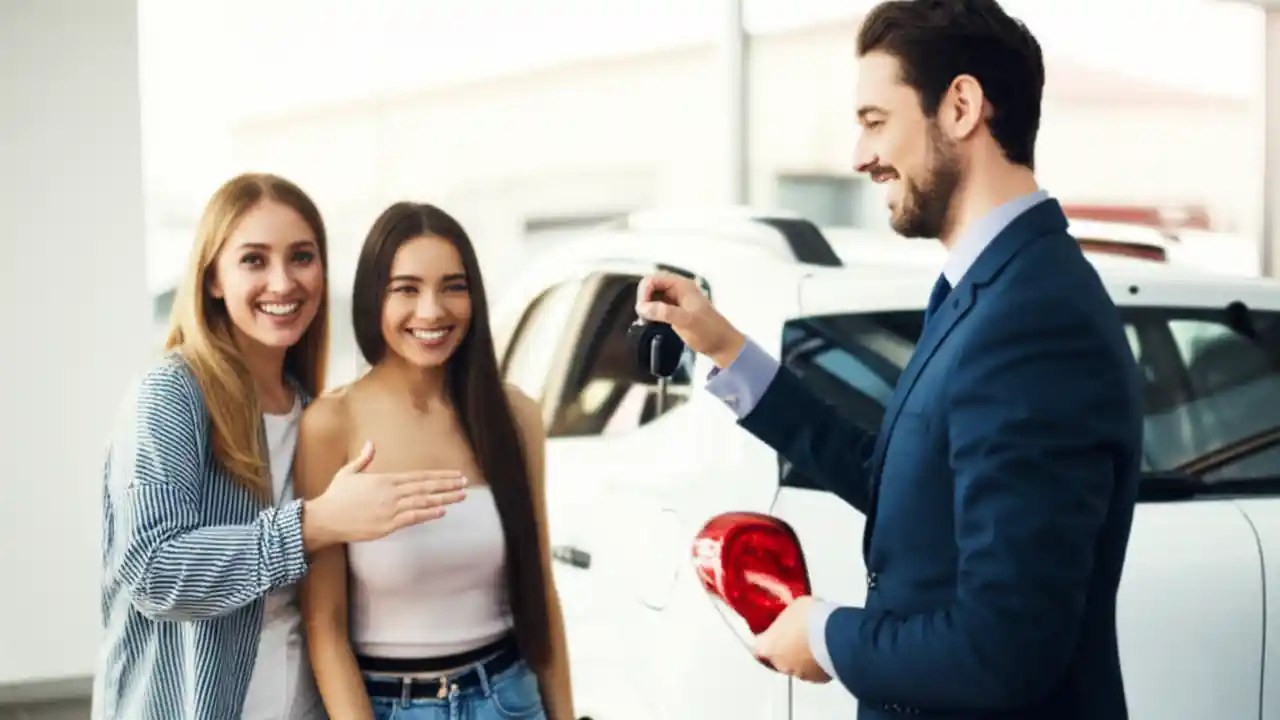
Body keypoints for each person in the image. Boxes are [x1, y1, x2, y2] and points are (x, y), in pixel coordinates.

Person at [635, 1, 1143, 718]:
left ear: (961, 107)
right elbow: (898, 482)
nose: (859, 157)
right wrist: (726, 350)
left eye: (875, 121)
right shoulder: (984, 288)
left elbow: (1003, 650)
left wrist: (825, 635)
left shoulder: (1033, 316)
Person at [92, 173, 468, 720]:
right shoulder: (173, 392)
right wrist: (313, 524)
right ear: (213, 278)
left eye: (301, 257)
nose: (283, 281)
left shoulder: (310, 409)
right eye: (254, 260)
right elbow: (153, 571)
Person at [296, 202, 573, 720]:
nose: (432, 311)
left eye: (453, 287)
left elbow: (542, 592)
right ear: (373, 297)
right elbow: (323, 626)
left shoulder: (515, 416)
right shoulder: (331, 424)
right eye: (406, 289)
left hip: (510, 700)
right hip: (391, 706)